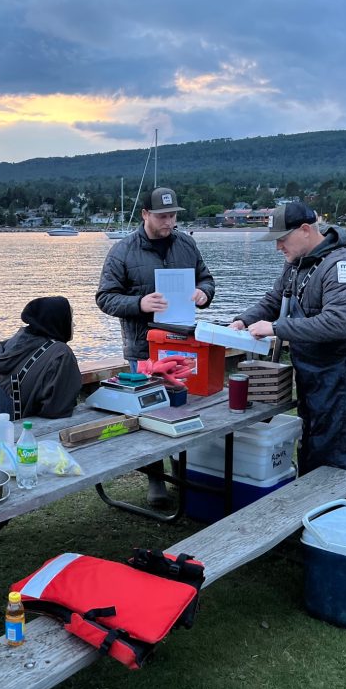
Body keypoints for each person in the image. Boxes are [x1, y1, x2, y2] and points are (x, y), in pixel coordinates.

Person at [229, 203, 346, 502]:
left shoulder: (342, 267)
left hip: (345, 373)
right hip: (314, 370)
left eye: (282, 238)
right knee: (312, 439)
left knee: (342, 447)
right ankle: (309, 511)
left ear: (306, 230)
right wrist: (243, 319)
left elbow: (337, 324)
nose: (277, 246)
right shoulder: (298, 262)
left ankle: (336, 519)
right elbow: (274, 299)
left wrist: (276, 329)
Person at [96, 187, 216, 508]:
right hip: (142, 351)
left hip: (182, 345)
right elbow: (105, 298)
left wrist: (204, 293)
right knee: (150, 416)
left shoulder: (187, 243)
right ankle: (155, 480)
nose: (169, 221)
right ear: (145, 215)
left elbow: (206, 278)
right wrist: (139, 303)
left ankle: (182, 470)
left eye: (173, 215)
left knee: (181, 409)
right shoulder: (122, 251)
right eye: (162, 216)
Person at [0, 296, 82, 419]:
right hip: (34, 432)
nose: (74, 324)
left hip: (1, 428)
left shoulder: (12, 345)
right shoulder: (61, 354)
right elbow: (58, 410)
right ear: (57, 321)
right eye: (70, 318)